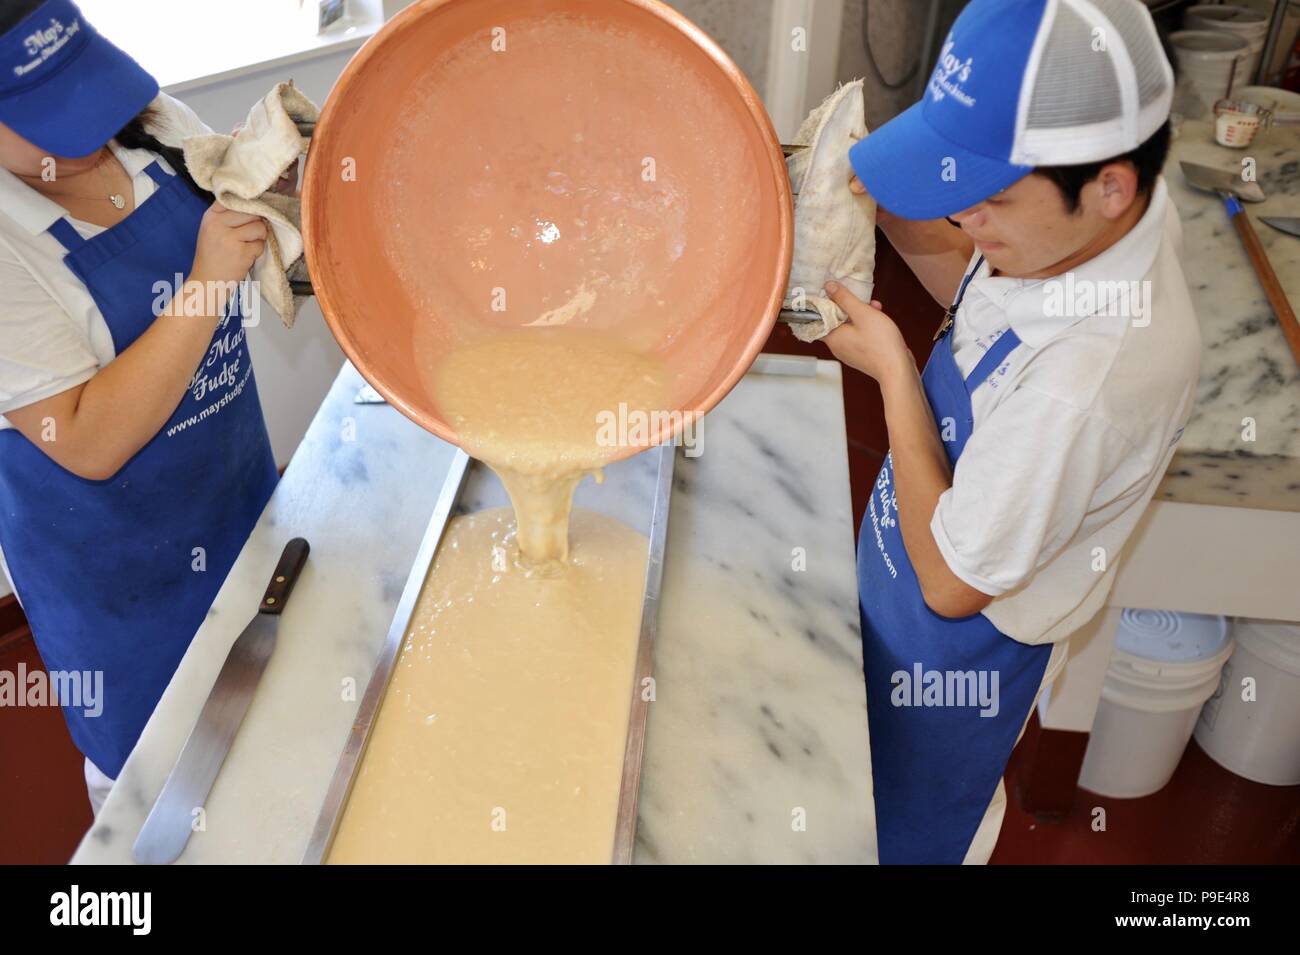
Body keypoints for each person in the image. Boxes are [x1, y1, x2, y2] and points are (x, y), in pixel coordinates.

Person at [823, 0, 1200, 863]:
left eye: (984, 199)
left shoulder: (1091, 382)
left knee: (889, 829)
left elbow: (955, 582)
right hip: (904, 566)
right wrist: (892, 199)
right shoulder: (1087, 223)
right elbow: (977, 290)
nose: (963, 223)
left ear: (1112, 185)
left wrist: (890, 371)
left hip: (954, 650)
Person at [0, 0, 281, 813]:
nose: (89, 134)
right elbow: (86, 437)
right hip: (119, 590)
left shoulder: (156, 126)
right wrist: (205, 282)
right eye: (51, 119)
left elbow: (260, 258)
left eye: (86, 94)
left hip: (237, 506)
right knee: (171, 799)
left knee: (279, 741)